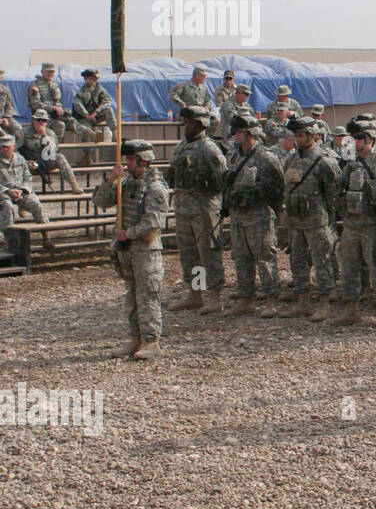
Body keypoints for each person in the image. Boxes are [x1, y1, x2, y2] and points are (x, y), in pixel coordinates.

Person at [93, 140, 171, 360]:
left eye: (130, 159)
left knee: (147, 295)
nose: (126, 164)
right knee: (132, 295)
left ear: (143, 160)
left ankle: (151, 340)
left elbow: (154, 220)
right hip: (127, 250)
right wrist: (110, 180)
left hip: (146, 249)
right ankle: (135, 338)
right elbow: (101, 201)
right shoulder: (126, 184)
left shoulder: (155, 187)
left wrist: (130, 233)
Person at [332, 121, 376, 328]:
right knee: (349, 267)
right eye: (353, 137)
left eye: (359, 138)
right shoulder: (350, 163)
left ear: (370, 139)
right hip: (352, 225)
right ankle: (352, 310)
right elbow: (339, 190)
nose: (355, 141)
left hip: (375, 225)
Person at [164, 106, 228, 315]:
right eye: (186, 123)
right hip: (184, 206)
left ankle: (214, 296)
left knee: (208, 252)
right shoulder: (181, 146)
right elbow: (171, 174)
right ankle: (195, 293)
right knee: (189, 254)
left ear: (202, 125)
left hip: (204, 207)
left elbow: (222, 180)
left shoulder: (209, 149)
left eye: (192, 123)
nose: (187, 127)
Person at [224, 114, 286, 318]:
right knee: (241, 257)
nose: (236, 135)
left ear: (250, 133)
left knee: (264, 257)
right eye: (236, 132)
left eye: (240, 132)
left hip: (259, 215)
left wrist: (256, 195)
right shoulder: (234, 155)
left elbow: (278, 187)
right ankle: (246, 299)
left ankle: (271, 299)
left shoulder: (265, 156)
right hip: (238, 215)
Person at [282, 116, 342, 321]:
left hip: (317, 220)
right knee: (297, 260)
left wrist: (330, 219)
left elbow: (334, 193)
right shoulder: (291, 159)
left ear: (312, 136)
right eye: (296, 135)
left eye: (301, 135)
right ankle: (303, 302)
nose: (298, 139)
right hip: (295, 221)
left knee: (321, 260)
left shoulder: (324, 161)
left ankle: (324, 303)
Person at [0, 133, 52, 249]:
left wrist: (22, 190)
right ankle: (10, 241)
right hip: (3, 193)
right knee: (7, 207)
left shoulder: (20, 159)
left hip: (21, 191)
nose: (5, 149)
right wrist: (8, 191)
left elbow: (28, 177)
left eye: (7, 147)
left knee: (36, 204)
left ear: (13, 147)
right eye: (2, 147)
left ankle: (45, 236)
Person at [18, 109, 82, 193]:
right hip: (28, 161)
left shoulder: (50, 133)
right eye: (38, 120)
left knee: (60, 157)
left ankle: (74, 185)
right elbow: (14, 151)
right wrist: (25, 162)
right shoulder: (23, 132)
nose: (41, 122)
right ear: (33, 120)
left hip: (45, 160)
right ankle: (21, 191)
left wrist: (44, 136)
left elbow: (52, 152)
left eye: (44, 121)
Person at [71, 68, 115, 143]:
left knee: (109, 110)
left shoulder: (100, 90)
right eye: (87, 78)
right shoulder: (81, 92)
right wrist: (87, 115)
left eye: (91, 78)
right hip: (85, 118)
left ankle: (115, 133)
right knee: (86, 131)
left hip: (97, 115)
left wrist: (96, 112)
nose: (89, 80)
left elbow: (107, 101)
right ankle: (88, 153)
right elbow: (77, 104)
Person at [27, 63, 67, 141]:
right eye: (48, 71)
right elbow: (35, 104)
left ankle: (90, 134)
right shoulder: (35, 85)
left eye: (52, 72)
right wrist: (53, 108)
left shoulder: (54, 84)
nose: (50, 74)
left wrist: (60, 109)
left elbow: (57, 100)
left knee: (71, 120)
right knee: (60, 125)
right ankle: (54, 148)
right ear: (42, 72)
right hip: (41, 118)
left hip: (54, 115)